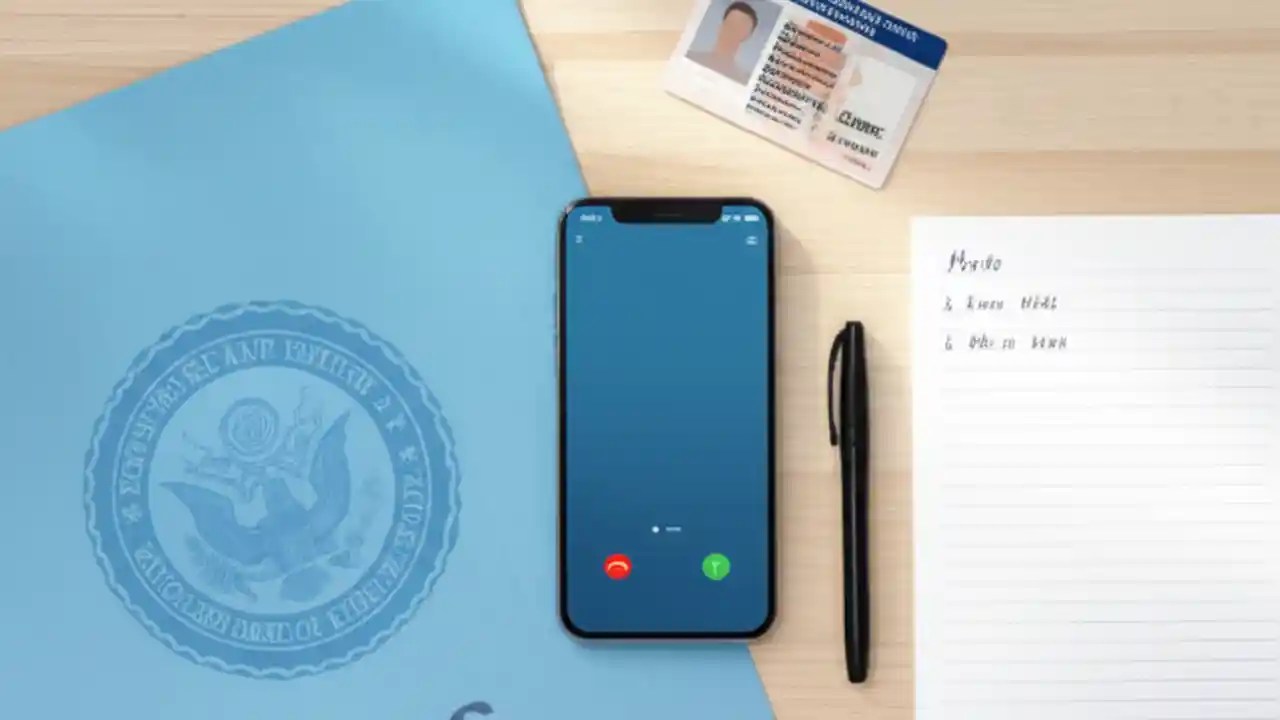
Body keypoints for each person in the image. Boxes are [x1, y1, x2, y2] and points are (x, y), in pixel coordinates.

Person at [686, 2, 760, 85]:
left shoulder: (743, 80)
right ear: (721, 26)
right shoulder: (689, 58)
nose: (731, 32)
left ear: (747, 36)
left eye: (738, 29)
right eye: (730, 25)